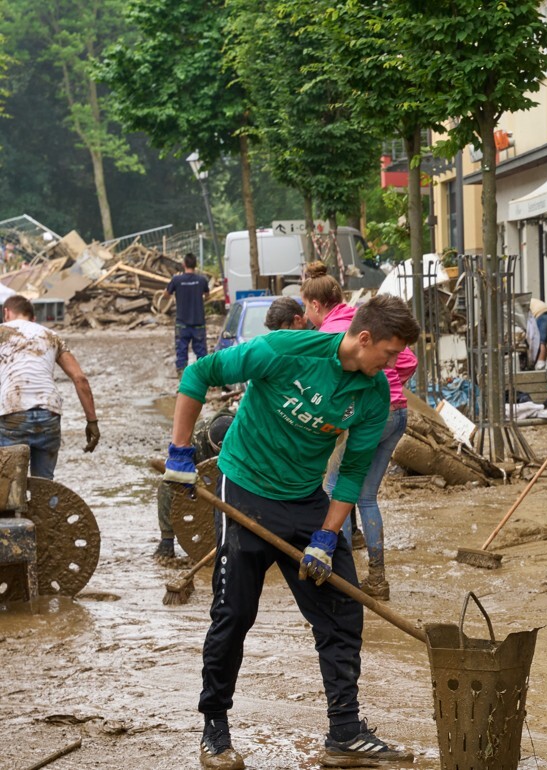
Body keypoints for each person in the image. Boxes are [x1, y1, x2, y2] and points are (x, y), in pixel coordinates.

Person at [163, 294, 419, 769]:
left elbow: (352, 471)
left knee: (342, 612)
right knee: (234, 613)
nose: (392, 364)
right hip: (243, 488)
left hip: (305, 500)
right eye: (388, 353)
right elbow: (198, 375)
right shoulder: (283, 351)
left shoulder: (373, 392)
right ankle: (215, 729)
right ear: (364, 339)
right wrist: (180, 450)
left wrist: (326, 536)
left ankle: (344, 731)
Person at [302, 263, 417, 600]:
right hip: (398, 414)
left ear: (316, 305)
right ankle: (377, 577)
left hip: (370, 416)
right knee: (366, 497)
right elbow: (407, 361)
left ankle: (341, 572)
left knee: (335, 488)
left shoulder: (334, 334)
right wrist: (394, 387)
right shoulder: (367, 320)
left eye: (307, 309)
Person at [0, 296, 98, 479]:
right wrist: (92, 422)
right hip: (49, 414)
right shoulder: (50, 335)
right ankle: (45, 504)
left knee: (9, 488)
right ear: (33, 318)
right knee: (44, 487)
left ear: (6, 313)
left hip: (13, 414)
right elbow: (80, 378)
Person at [154, 410, 233, 561]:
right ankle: (166, 541)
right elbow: (173, 482)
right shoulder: (193, 439)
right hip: (202, 479)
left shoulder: (246, 431)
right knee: (167, 486)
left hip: (238, 474)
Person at [167, 252, 210, 377]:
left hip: (182, 323)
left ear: (183, 264)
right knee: (201, 353)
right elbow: (207, 295)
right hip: (198, 323)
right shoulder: (202, 280)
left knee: (181, 352)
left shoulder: (176, 280)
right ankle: (203, 379)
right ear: (195, 265)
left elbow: (166, 294)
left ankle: (183, 380)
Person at [529, 297, 547, 370]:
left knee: (541, 341)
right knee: (543, 341)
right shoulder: (529, 299)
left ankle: (540, 363)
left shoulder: (518, 302)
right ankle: (541, 362)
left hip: (542, 314)